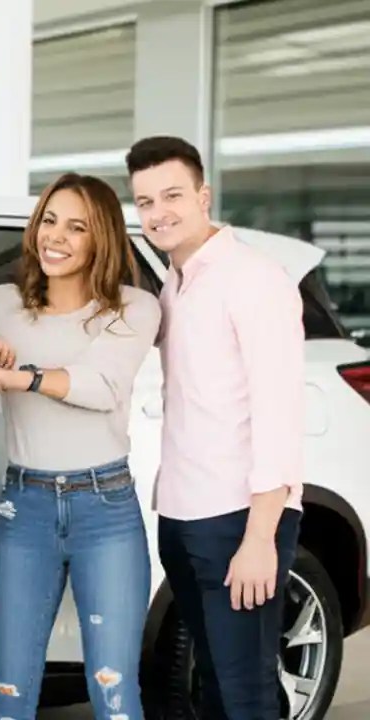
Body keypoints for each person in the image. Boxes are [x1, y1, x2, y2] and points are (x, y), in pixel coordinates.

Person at [0, 172, 162, 720]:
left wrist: (19, 375)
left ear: (103, 239)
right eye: (49, 221)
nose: (56, 237)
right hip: (25, 510)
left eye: (76, 227)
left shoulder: (133, 308)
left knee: (114, 695)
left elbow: (102, 386)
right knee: (10, 697)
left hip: (106, 511)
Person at [127, 135, 305, 720]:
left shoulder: (253, 278)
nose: (159, 212)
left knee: (246, 694)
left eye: (172, 194)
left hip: (238, 521)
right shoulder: (175, 285)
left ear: (204, 195)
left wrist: (260, 539)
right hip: (182, 516)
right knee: (210, 691)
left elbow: (278, 413)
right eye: (146, 201)